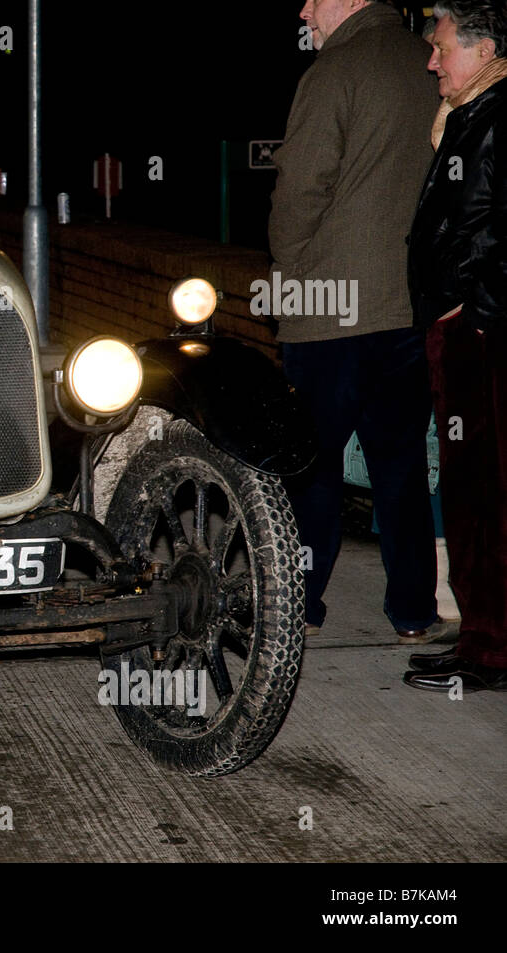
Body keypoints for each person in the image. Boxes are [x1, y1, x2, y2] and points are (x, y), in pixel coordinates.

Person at [269, 0, 448, 642]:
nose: (305, 11)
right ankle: (412, 611)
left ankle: (302, 603)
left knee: (311, 467)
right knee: (398, 465)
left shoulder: (334, 70)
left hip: (329, 309)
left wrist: (289, 269)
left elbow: (300, 186)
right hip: (403, 307)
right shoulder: (427, 63)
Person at [404, 0, 507, 692]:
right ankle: (480, 635)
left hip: (479, 337)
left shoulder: (496, 120)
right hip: (466, 330)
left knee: (483, 491)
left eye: (444, 48)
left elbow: (489, 234)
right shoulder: (471, 118)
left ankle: (492, 648)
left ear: (488, 49)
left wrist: (469, 313)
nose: (434, 60)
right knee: (469, 488)